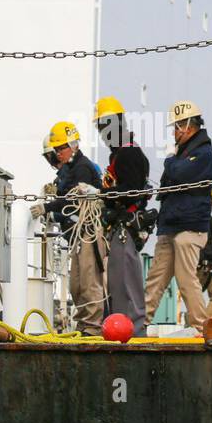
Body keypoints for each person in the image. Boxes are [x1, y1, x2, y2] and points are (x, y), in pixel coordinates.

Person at [144, 100, 212, 331]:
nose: (174, 132)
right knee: (156, 279)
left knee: (186, 279)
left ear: (187, 126)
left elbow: (178, 173)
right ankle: (139, 323)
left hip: (190, 226)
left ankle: (200, 327)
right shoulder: (185, 153)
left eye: (176, 127)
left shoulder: (204, 154)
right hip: (171, 224)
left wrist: (170, 159)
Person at [94, 97, 150, 335]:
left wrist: (103, 194)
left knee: (127, 282)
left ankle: (134, 331)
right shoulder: (119, 155)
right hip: (118, 227)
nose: (102, 133)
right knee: (117, 283)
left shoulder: (129, 154)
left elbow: (132, 190)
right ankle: (120, 329)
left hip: (127, 225)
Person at [45, 121, 106, 336]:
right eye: (56, 150)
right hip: (79, 234)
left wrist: (48, 208)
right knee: (76, 284)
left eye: (60, 148)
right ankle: (83, 324)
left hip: (89, 231)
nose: (58, 154)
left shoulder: (82, 167)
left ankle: (92, 326)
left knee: (89, 281)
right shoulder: (71, 169)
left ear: (72, 145)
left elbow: (72, 200)